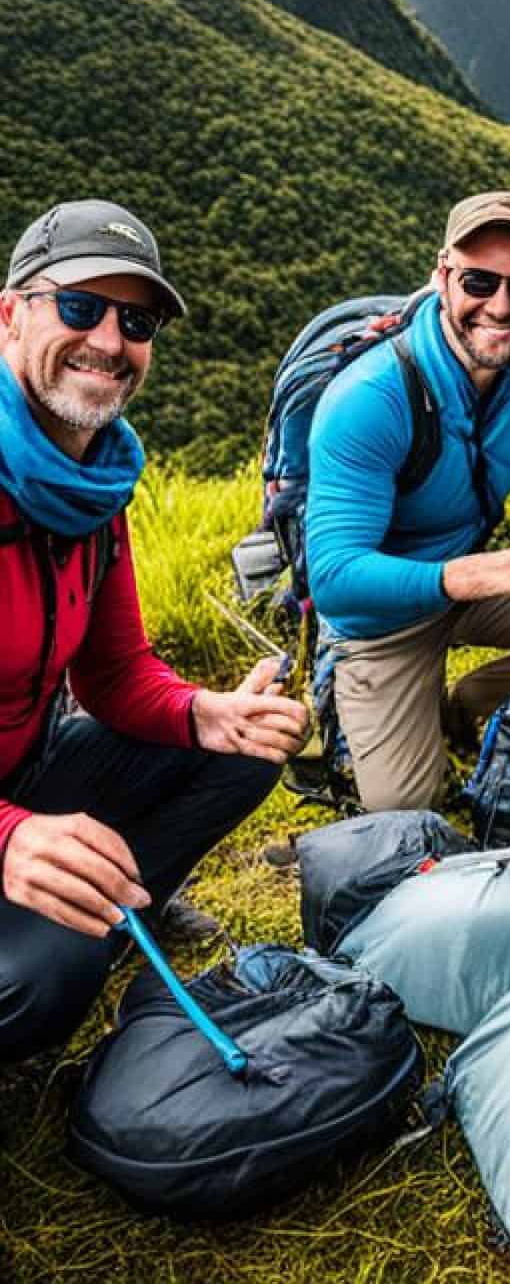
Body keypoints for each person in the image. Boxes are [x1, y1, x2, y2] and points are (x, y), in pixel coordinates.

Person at [0, 200, 308, 1062]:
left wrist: (205, 713)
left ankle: (116, 902)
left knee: (243, 751)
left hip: (27, 768)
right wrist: (11, 839)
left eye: (135, 321)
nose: (108, 338)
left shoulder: (92, 483)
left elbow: (115, 672)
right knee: (49, 974)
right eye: (79, 306)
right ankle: (66, 928)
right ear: (9, 312)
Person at [305, 191, 510, 813]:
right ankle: (367, 702)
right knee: (410, 812)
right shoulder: (372, 398)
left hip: (471, 589)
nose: (501, 306)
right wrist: (480, 572)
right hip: (378, 622)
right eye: (479, 281)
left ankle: (468, 704)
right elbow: (335, 581)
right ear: (442, 276)